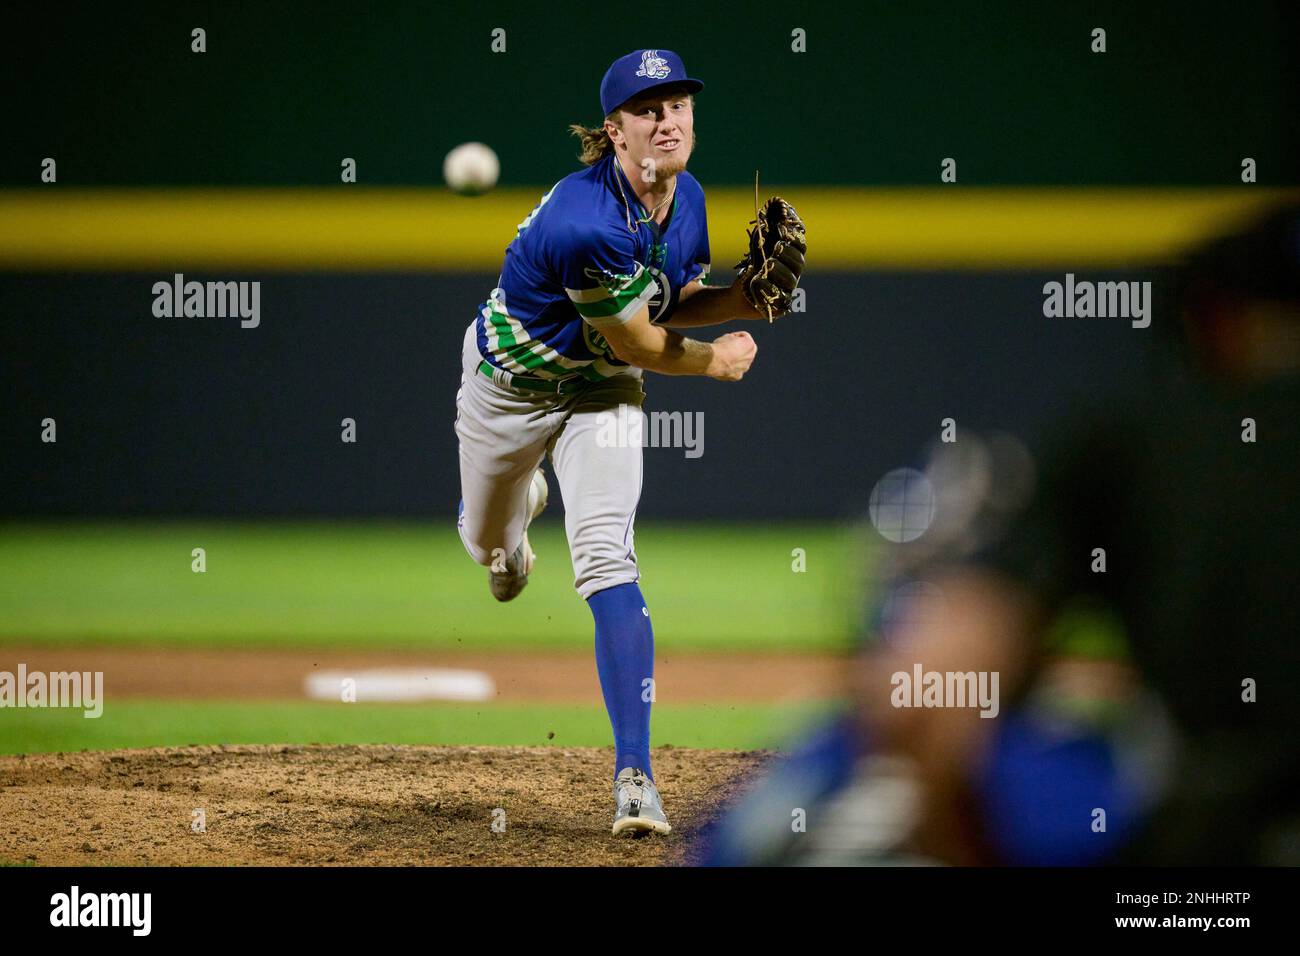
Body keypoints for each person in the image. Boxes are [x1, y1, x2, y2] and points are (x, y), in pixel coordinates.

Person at [454, 49, 777, 836]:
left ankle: (635, 777)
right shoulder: (583, 219)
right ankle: (513, 523)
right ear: (615, 131)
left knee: (605, 555)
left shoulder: (688, 198)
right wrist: (719, 359)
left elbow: (672, 297)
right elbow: (637, 338)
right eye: (648, 110)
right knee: (491, 557)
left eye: (679, 105)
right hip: (512, 391)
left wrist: (742, 296)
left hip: (600, 393)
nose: (669, 121)